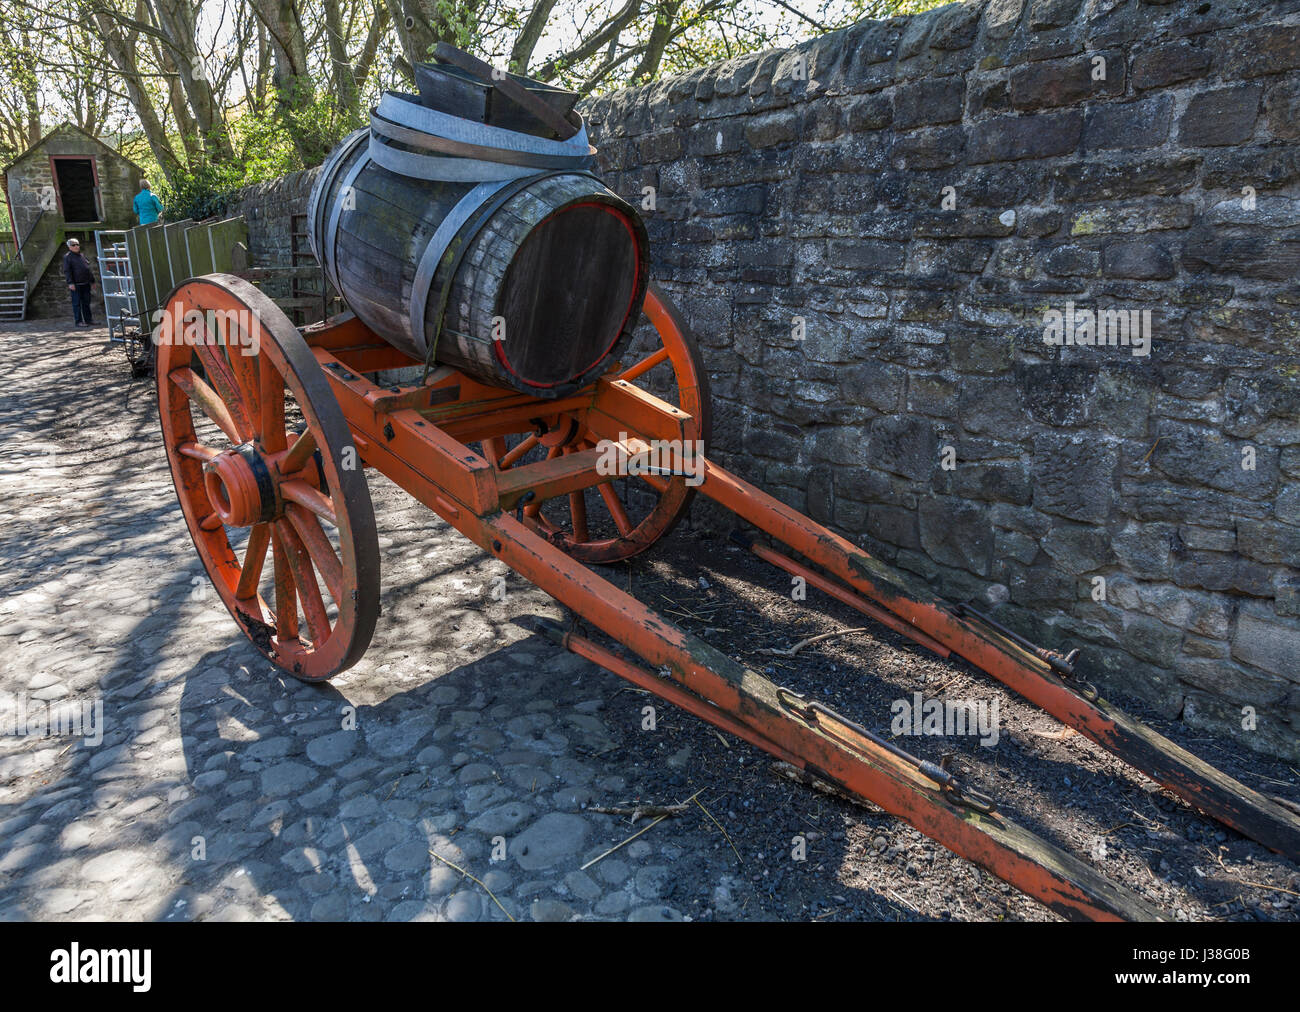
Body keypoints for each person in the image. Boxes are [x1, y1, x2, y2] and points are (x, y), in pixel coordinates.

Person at [62, 238, 96, 327]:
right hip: (76, 285)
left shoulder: (82, 255)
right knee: (76, 304)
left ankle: (88, 320)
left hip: (85, 283)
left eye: (77, 244)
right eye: (73, 245)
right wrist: (70, 283)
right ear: (69, 247)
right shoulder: (67, 257)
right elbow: (67, 271)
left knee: (86, 303)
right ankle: (79, 321)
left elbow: (87, 269)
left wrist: (92, 281)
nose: (76, 246)